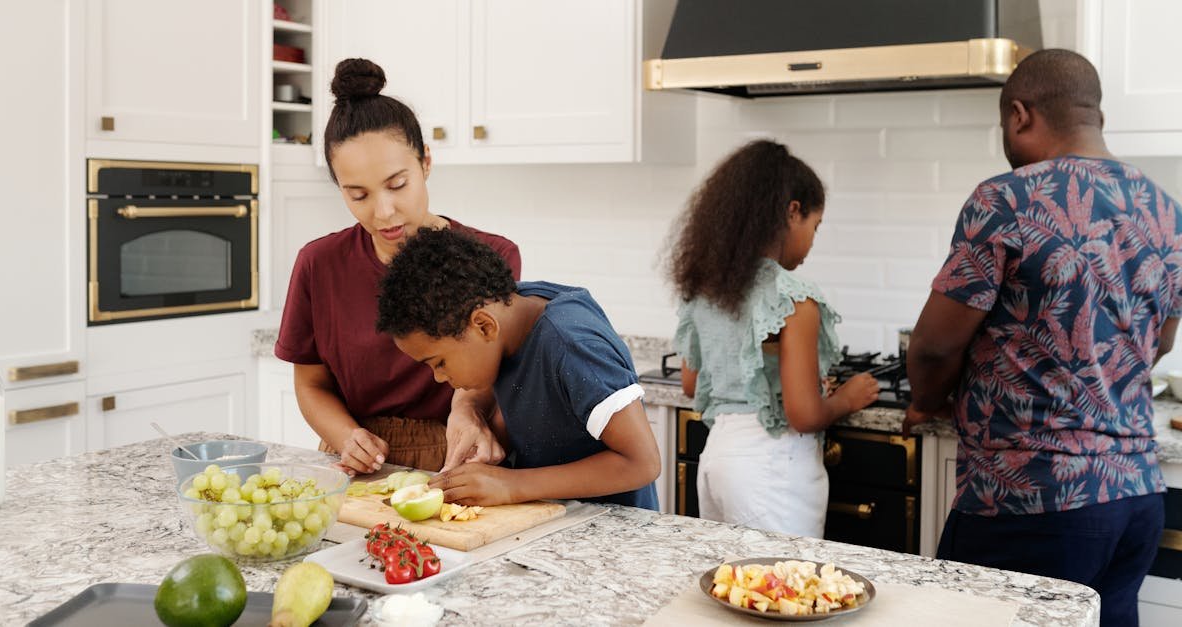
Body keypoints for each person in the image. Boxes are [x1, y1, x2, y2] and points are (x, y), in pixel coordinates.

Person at [903, 49, 1178, 627]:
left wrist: (927, 401)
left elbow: (932, 346)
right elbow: (1161, 342)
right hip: (1136, 497)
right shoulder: (1167, 212)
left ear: (1020, 115)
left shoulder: (1006, 199)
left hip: (1031, 499)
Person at [274, 58, 521, 475]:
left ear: (425, 162)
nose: (384, 212)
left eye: (397, 185)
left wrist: (468, 415)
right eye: (358, 195)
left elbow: (495, 375)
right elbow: (311, 384)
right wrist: (345, 437)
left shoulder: (492, 255)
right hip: (355, 461)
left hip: (457, 453)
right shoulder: (318, 264)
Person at [668, 139, 879, 536]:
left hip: (717, 460)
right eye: (815, 227)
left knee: (732, 585)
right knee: (782, 586)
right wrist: (845, 399)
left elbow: (692, 383)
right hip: (771, 467)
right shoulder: (792, 297)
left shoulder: (707, 289)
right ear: (792, 212)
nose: (812, 243)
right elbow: (803, 416)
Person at [375, 227, 661, 509]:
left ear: (484, 325)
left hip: (609, 530)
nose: (438, 377)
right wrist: (466, 410)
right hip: (552, 520)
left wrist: (510, 485)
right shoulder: (510, 309)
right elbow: (492, 370)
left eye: (439, 363)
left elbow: (642, 463)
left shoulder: (573, 345)